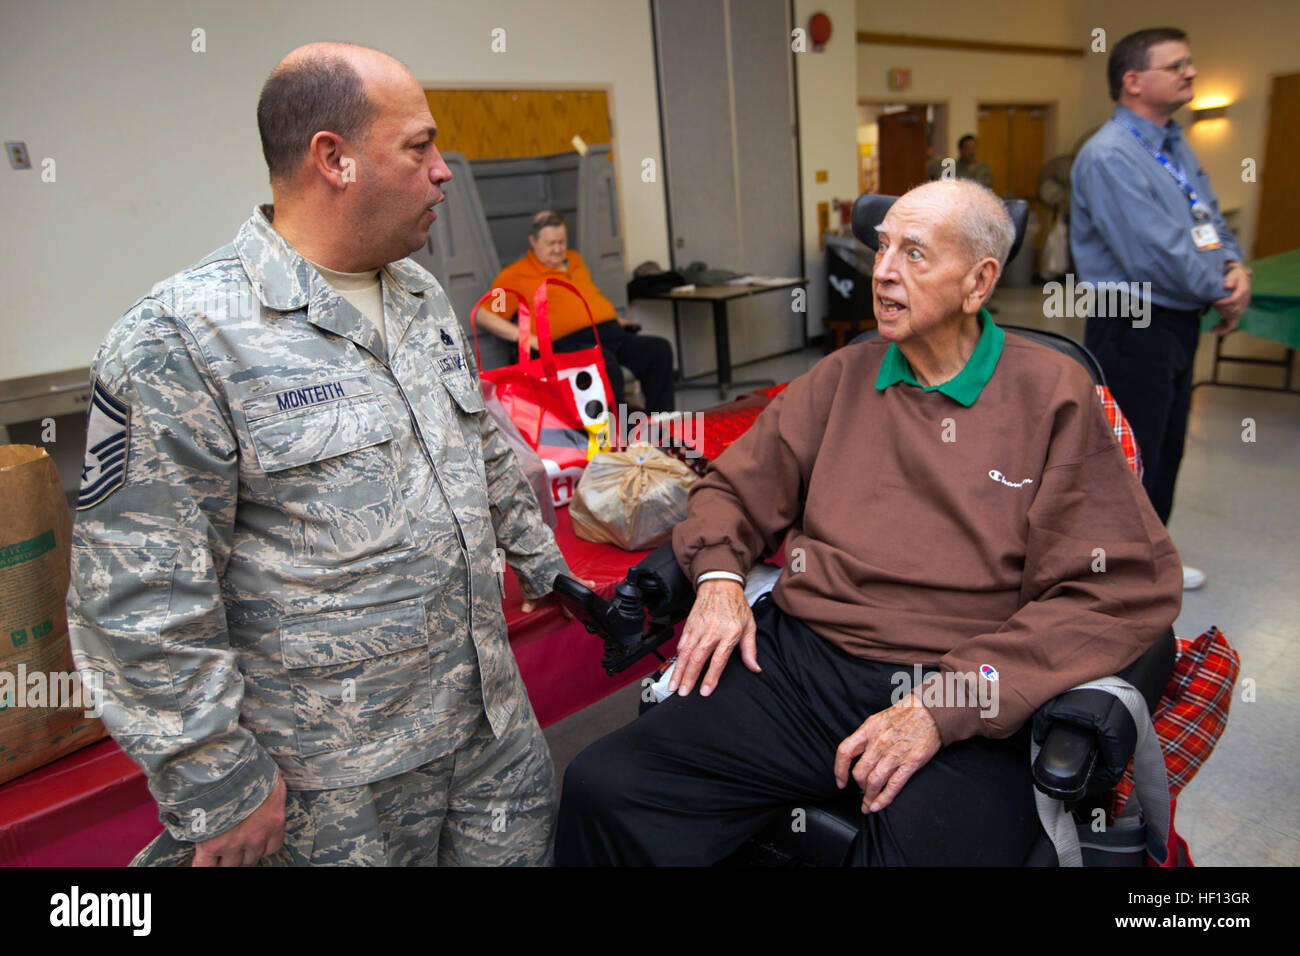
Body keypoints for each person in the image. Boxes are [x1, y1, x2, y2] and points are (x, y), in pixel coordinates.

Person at [555, 180, 1181, 866]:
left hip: (965, 685)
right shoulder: (840, 376)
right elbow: (732, 489)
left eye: (914, 254)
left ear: (978, 282)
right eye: (882, 248)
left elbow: (1117, 588)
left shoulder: (1051, 395)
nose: (883, 271)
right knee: (605, 789)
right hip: (802, 666)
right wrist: (721, 577)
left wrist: (944, 706)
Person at [67, 42, 573, 867]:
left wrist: (554, 572)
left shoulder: (420, 295)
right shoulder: (180, 341)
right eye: (420, 147)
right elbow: (138, 594)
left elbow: (481, 450)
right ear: (333, 159)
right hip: (334, 780)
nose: (444, 171)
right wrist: (217, 783)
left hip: (489, 733)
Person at [1071, 27, 1251, 590]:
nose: (1190, 73)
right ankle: (1120, 578)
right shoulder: (1109, 156)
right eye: (1176, 65)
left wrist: (1235, 267)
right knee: (1132, 453)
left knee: (1167, 446)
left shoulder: (1172, 143)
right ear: (1133, 81)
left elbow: (1210, 221)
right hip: (1133, 322)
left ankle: (1150, 562)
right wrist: (1218, 289)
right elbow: (1153, 253)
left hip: (1176, 317)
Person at [475, 211, 676, 413]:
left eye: (562, 242)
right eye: (550, 243)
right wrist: (528, 338)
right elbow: (484, 315)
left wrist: (608, 317)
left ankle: (661, 424)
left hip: (610, 333)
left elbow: (584, 299)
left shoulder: (574, 259)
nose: (557, 249)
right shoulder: (515, 275)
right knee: (604, 364)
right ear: (533, 241)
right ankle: (619, 436)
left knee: (658, 350)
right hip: (568, 345)